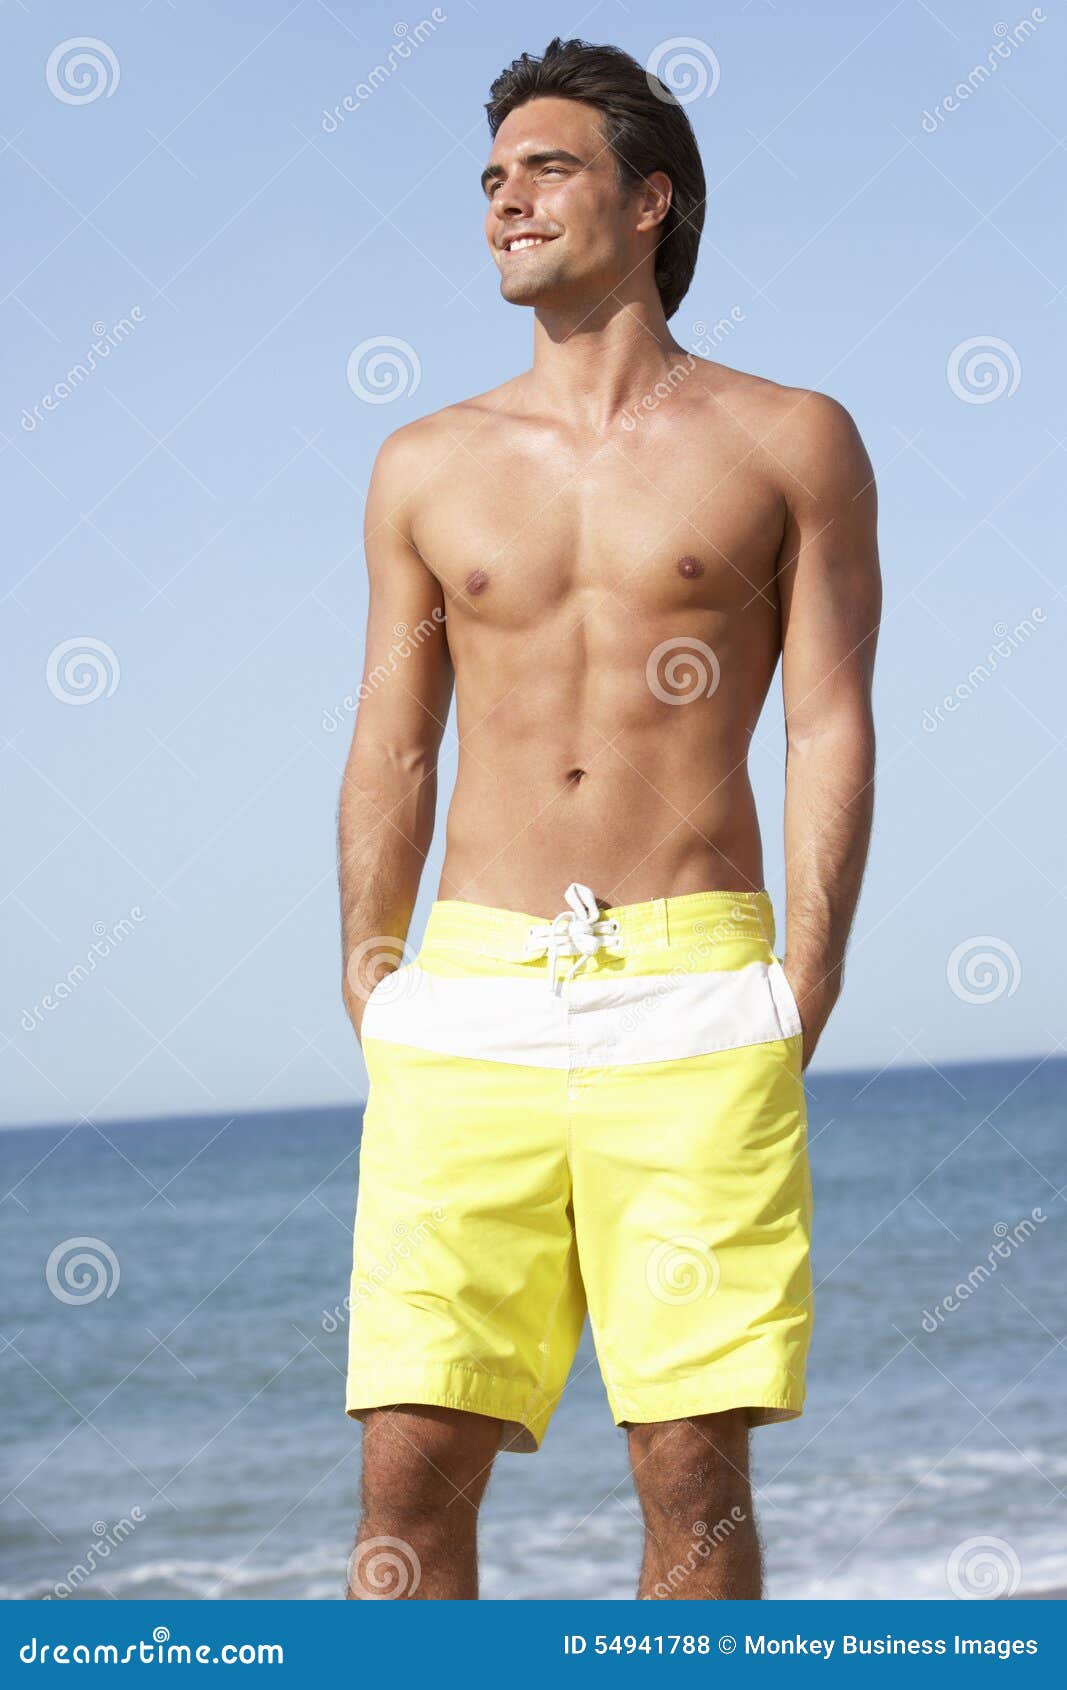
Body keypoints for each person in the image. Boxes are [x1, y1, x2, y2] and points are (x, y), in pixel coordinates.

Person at [337, 36, 880, 1600]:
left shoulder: (791, 438)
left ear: (653, 200)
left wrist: (806, 974)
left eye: (548, 168)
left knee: (691, 1473)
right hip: (471, 990)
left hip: (697, 987)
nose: (508, 199)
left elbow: (829, 716)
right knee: (406, 1476)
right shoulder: (424, 463)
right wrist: (376, 969)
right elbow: (394, 731)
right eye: (492, 179)